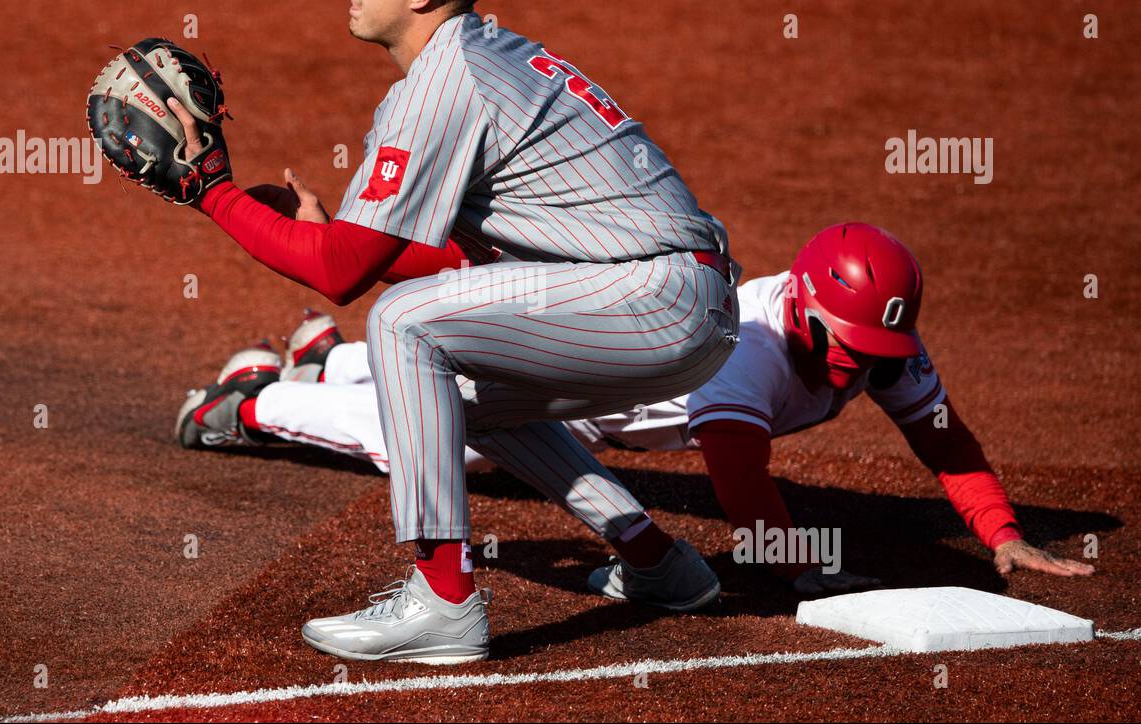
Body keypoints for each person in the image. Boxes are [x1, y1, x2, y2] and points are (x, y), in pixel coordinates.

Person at [171, 0, 741, 664]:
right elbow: (424, 260)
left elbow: (343, 277)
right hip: (679, 303)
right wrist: (320, 229)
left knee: (402, 323)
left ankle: (443, 601)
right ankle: (656, 562)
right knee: (450, 396)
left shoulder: (446, 81)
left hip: (651, 297)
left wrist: (210, 192)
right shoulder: (482, 58)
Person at [184, 224, 1093, 596]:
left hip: (600, 374)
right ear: (806, 304)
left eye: (880, 352)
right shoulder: (751, 355)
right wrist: (805, 565)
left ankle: (324, 354)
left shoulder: (869, 334)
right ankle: (251, 409)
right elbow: (741, 483)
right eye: (850, 343)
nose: (867, 367)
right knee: (440, 440)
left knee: (437, 390)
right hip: (575, 386)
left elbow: (942, 435)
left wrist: (999, 529)